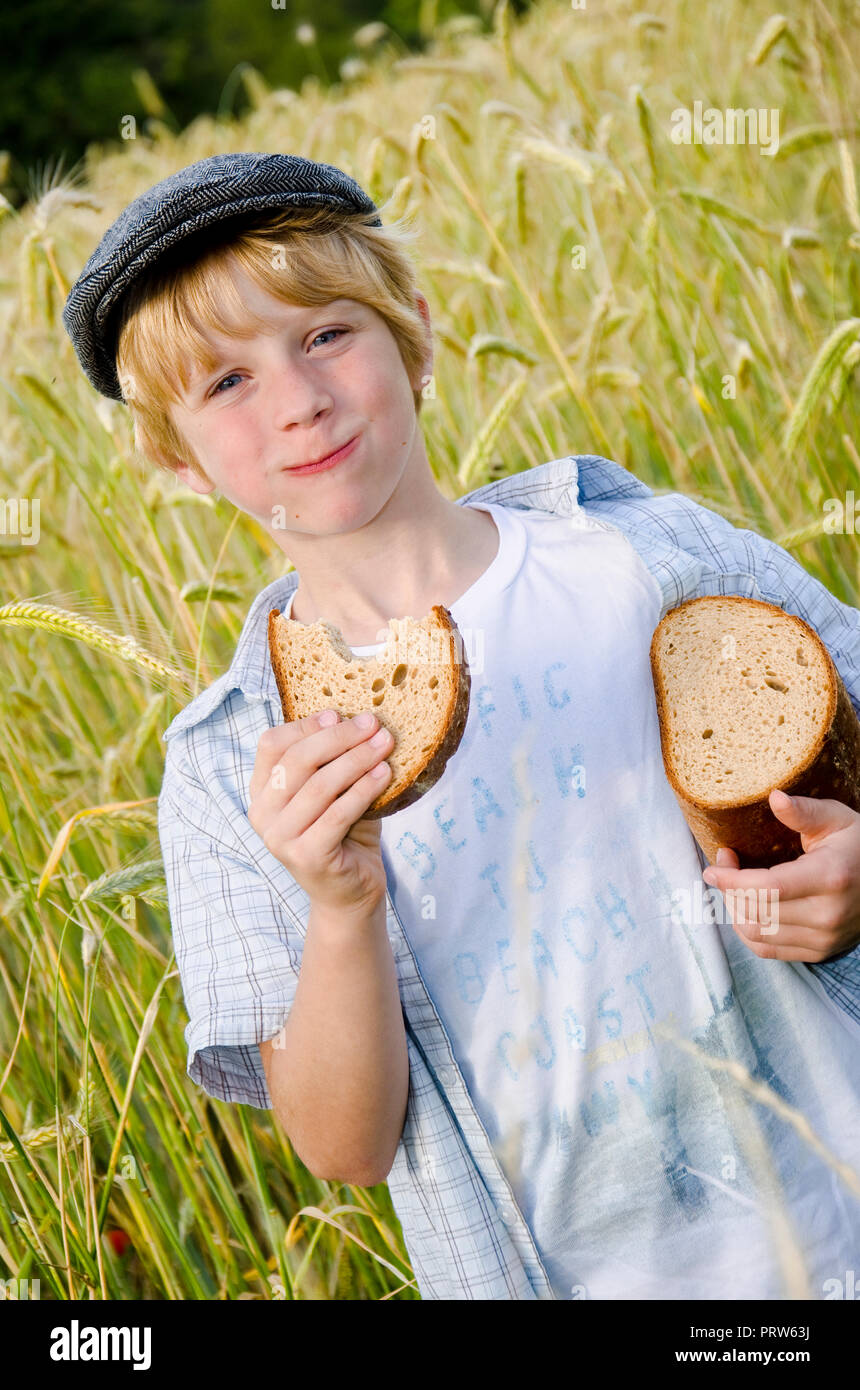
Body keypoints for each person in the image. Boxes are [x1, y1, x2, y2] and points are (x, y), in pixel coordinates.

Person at [63, 151, 860, 1301]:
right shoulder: (232, 763)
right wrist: (340, 906)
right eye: (224, 384)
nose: (297, 400)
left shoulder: (646, 559)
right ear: (177, 462)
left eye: (326, 334)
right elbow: (344, 1146)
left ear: (415, 336)